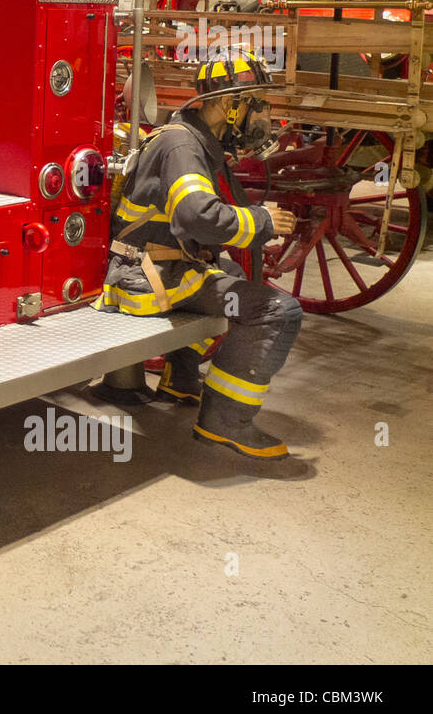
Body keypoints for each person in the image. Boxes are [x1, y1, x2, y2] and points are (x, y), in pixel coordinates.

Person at [97, 58, 302, 459]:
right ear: (228, 105)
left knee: (229, 273)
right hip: (148, 277)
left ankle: (181, 377)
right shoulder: (182, 145)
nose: (261, 113)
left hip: (153, 266)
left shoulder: (191, 138)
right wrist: (262, 221)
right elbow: (197, 215)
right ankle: (226, 422)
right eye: (254, 102)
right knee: (278, 310)